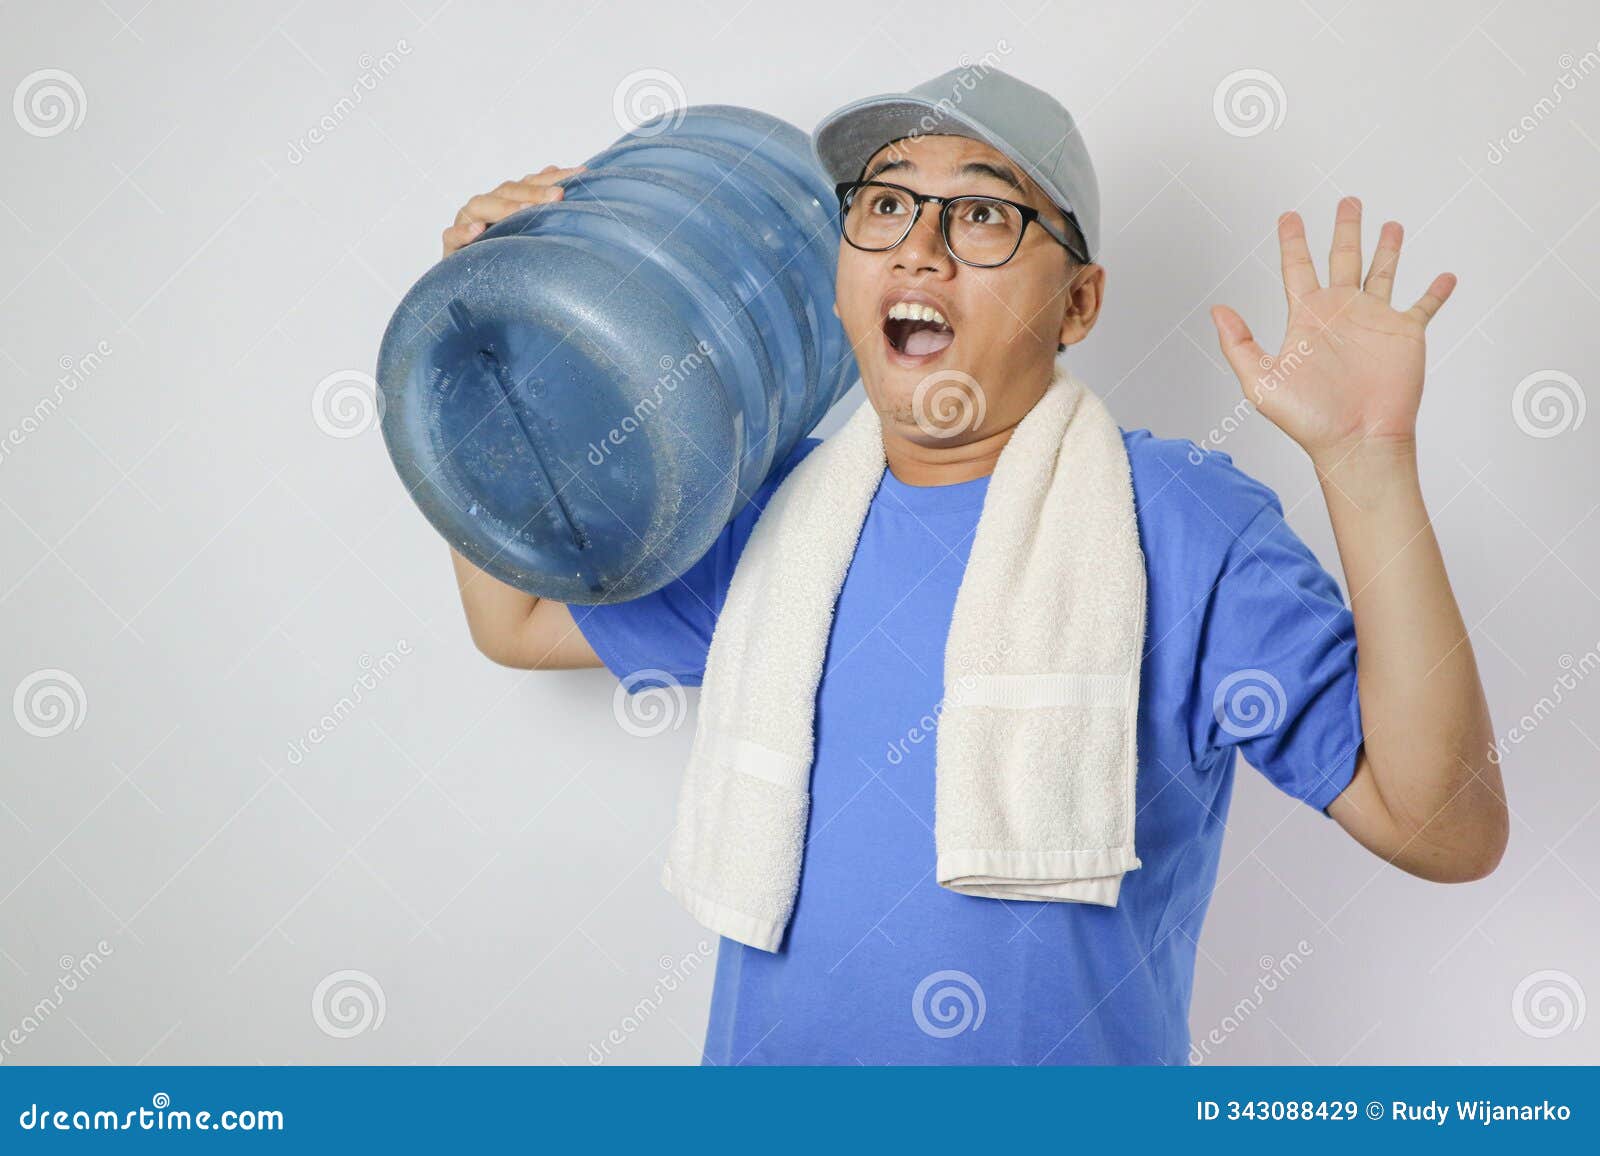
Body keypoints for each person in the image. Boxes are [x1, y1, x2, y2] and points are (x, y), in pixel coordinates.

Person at [438, 67, 1507, 1065]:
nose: (919, 248)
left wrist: (1370, 466)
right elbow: (519, 616)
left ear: (1078, 304)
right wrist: (481, 325)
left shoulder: (1176, 522)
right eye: (885, 205)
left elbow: (1442, 827)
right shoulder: (774, 518)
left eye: (985, 214)